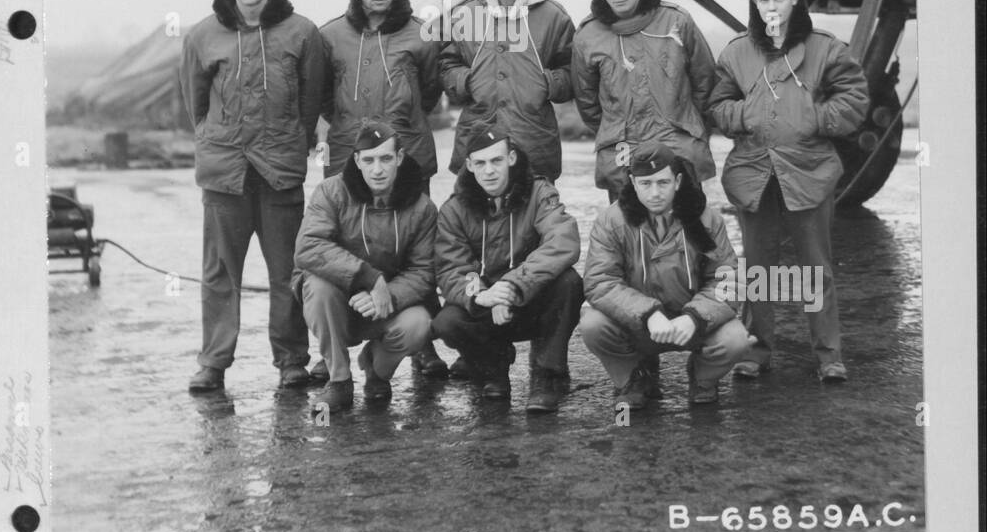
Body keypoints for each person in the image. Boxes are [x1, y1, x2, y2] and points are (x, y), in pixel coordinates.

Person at [708, 0, 870, 383]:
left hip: (809, 171)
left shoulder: (826, 48)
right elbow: (716, 105)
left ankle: (829, 355)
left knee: (816, 267)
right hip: (753, 171)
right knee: (759, 269)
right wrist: (747, 114)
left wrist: (814, 118)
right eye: (764, 0)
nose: (772, 6)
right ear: (754, 5)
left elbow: (853, 97)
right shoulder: (736, 52)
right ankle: (756, 351)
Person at [180, 0, 325, 392]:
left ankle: (292, 361)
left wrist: (289, 142)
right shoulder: (203, 36)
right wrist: (219, 143)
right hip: (225, 173)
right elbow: (195, 104)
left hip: (280, 170)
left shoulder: (302, 33)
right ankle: (214, 363)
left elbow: (311, 100)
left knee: (288, 271)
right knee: (220, 272)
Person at [319, 0, 447, 377]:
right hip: (347, 159)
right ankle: (332, 344)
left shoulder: (419, 34)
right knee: (342, 246)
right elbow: (321, 98)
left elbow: (428, 94)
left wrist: (400, 131)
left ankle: (422, 345)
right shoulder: (330, 36)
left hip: (407, 159)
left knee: (414, 249)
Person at [581, 146, 749, 408]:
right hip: (638, 323)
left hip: (691, 322)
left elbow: (728, 281)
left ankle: (703, 378)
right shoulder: (611, 220)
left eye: (663, 182)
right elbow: (600, 281)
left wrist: (695, 317)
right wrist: (648, 314)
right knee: (592, 325)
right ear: (633, 183)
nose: (655, 192)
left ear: (678, 181)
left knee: (735, 339)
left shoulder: (705, 218)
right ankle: (634, 377)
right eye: (646, 183)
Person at [433, 126, 583, 412]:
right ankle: (493, 370)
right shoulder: (454, 209)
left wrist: (514, 285)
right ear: (469, 166)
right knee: (446, 322)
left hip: (530, 299)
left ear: (511, 158)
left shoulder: (539, 191)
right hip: (488, 306)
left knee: (569, 282)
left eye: (496, 161)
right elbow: (450, 268)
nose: (489, 171)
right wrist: (480, 295)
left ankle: (546, 375)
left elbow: (563, 242)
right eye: (480, 163)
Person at [292, 121, 437, 413]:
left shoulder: (422, 208)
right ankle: (339, 381)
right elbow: (309, 247)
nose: (377, 170)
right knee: (317, 286)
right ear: (357, 160)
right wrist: (368, 278)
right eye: (369, 160)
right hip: (338, 301)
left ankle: (377, 373)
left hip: (385, 303)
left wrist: (387, 294)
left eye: (385, 159)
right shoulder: (331, 191)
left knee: (419, 323)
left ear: (399, 158)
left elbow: (424, 272)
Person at [571, 0, 717, 199]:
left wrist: (690, 130)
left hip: (678, 147)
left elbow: (705, 82)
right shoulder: (586, 36)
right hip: (623, 152)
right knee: (627, 232)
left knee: (689, 232)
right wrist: (615, 131)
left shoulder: (677, 21)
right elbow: (588, 102)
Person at [438, 0, 574, 185]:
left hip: (533, 140)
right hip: (478, 137)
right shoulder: (464, 14)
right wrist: (466, 81)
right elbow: (445, 64)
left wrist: (547, 83)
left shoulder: (555, 16)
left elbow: (571, 70)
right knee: (475, 219)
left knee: (536, 217)